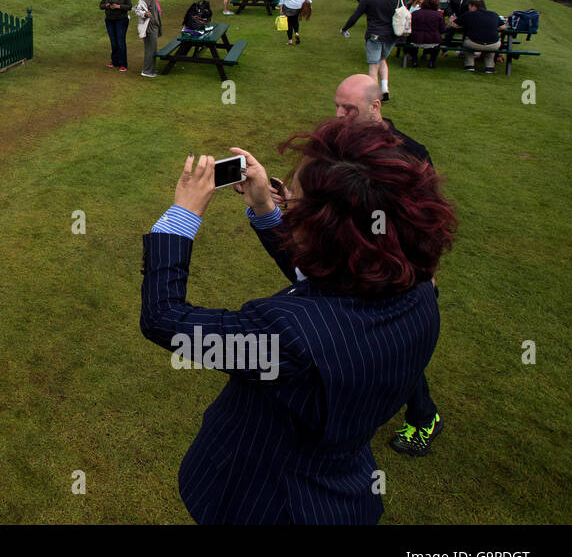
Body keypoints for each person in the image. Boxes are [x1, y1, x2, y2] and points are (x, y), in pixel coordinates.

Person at [138, 117, 456, 523]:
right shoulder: (418, 289)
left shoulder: (289, 339)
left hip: (267, 504)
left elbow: (164, 319)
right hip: (345, 496)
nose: (290, 204)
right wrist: (265, 208)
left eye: (296, 203)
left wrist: (182, 216)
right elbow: (327, 278)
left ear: (326, 230)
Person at [330, 75, 442, 456]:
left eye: (350, 109)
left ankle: (424, 417)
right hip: (353, 263)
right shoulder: (342, 143)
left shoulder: (410, 153)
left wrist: (425, 276)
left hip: (396, 271)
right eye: (337, 107)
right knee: (372, 345)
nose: (340, 116)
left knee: (395, 348)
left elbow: (428, 222)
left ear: (376, 108)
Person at [341, 0, 404, 101]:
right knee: (382, 59)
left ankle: (374, 94)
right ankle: (385, 88)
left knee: (373, 65)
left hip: (374, 33)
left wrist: (345, 28)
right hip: (391, 33)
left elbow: (356, 15)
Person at [448, 0, 507, 72]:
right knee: (491, 45)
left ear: (473, 6)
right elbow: (503, 27)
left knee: (467, 44)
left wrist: (454, 22)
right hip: (494, 44)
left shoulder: (469, 14)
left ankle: (469, 65)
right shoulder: (494, 14)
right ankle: (489, 67)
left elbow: (454, 25)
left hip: (474, 43)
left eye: (469, 7)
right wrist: (491, 28)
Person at [133, 0, 166, 77]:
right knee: (150, 49)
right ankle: (147, 71)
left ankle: (150, 69)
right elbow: (137, 9)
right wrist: (145, 14)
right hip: (150, 28)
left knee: (152, 49)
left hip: (153, 28)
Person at [100, 0, 132, 71]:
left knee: (120, 41)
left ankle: (123, 64)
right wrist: (107, 5)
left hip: (121, 20)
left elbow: (129, 6)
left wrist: (118, 6)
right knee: (113, 42)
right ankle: (115, 61)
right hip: (109, 20)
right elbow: (101, 5)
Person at [406, 0, 445, 68]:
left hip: (416, 39)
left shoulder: (415, 13)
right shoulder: (439, 15)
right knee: (437, 44)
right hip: (433, 40)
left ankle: (414, 60)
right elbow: (442, 30)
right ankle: (432, 62)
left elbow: (409, 27)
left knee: (411, 40)